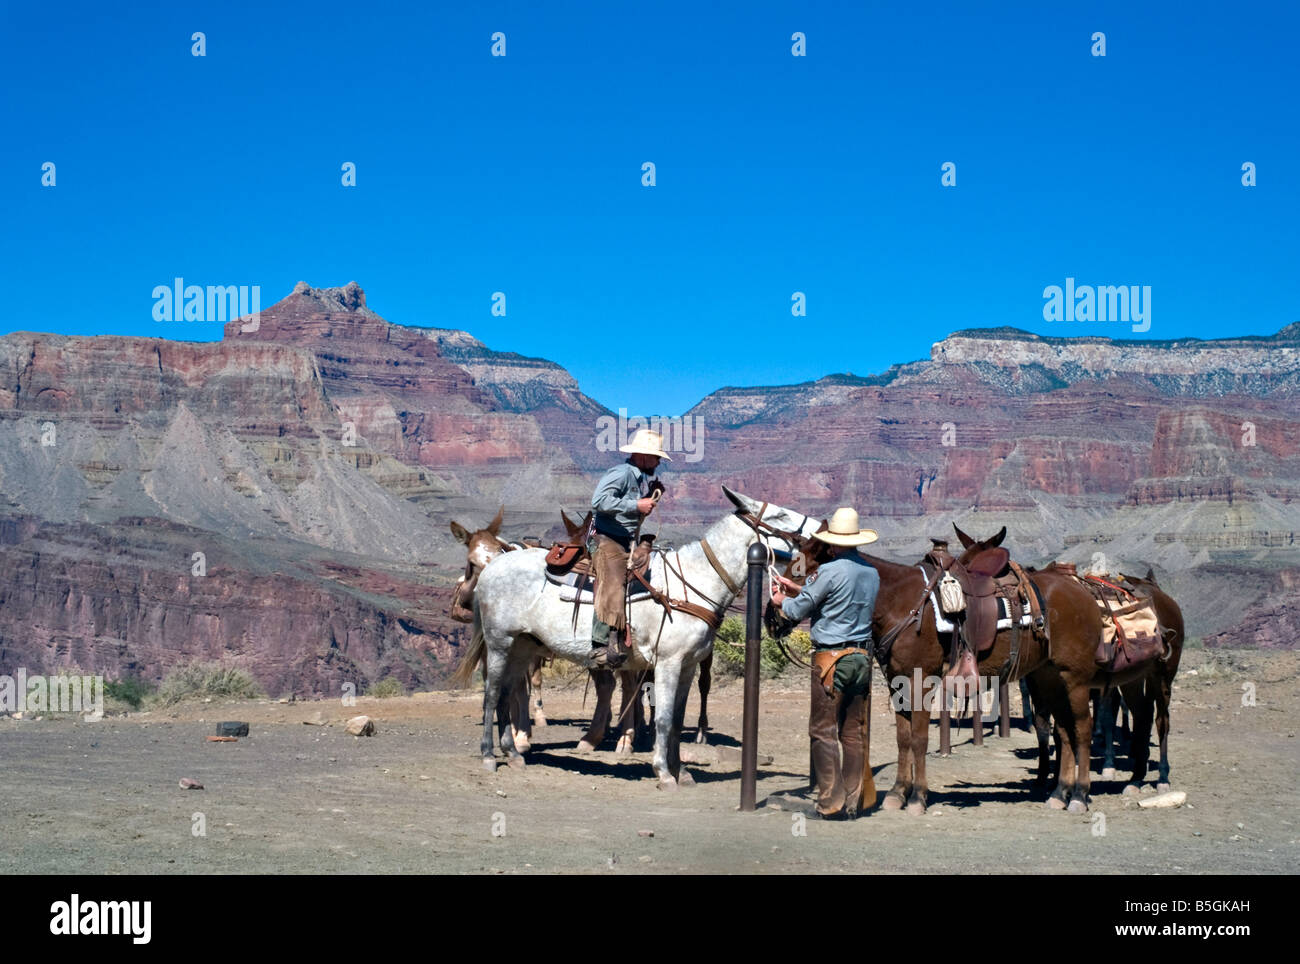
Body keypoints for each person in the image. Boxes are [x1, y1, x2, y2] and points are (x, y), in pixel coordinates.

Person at [770, 507, 879, 819]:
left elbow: (794, 611)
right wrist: (802, 590)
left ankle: (830, 802)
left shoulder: (828, 571)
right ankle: (854, 801)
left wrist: (783, 600)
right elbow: (838, 600)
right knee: (853, 731)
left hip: (830, 660)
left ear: (832, 544)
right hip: (861, 657)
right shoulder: (871, 573)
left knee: (822, 730)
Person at [587, 429, 670, 668]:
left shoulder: (637, 478)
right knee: (614, 579)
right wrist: (637, 504)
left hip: (623, 539)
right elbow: (599, 501)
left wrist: (647, 498)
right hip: (606, 539)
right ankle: (599, 646)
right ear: (643, 456)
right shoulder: (622, 473)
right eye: (656, 457)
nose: (659, 462)